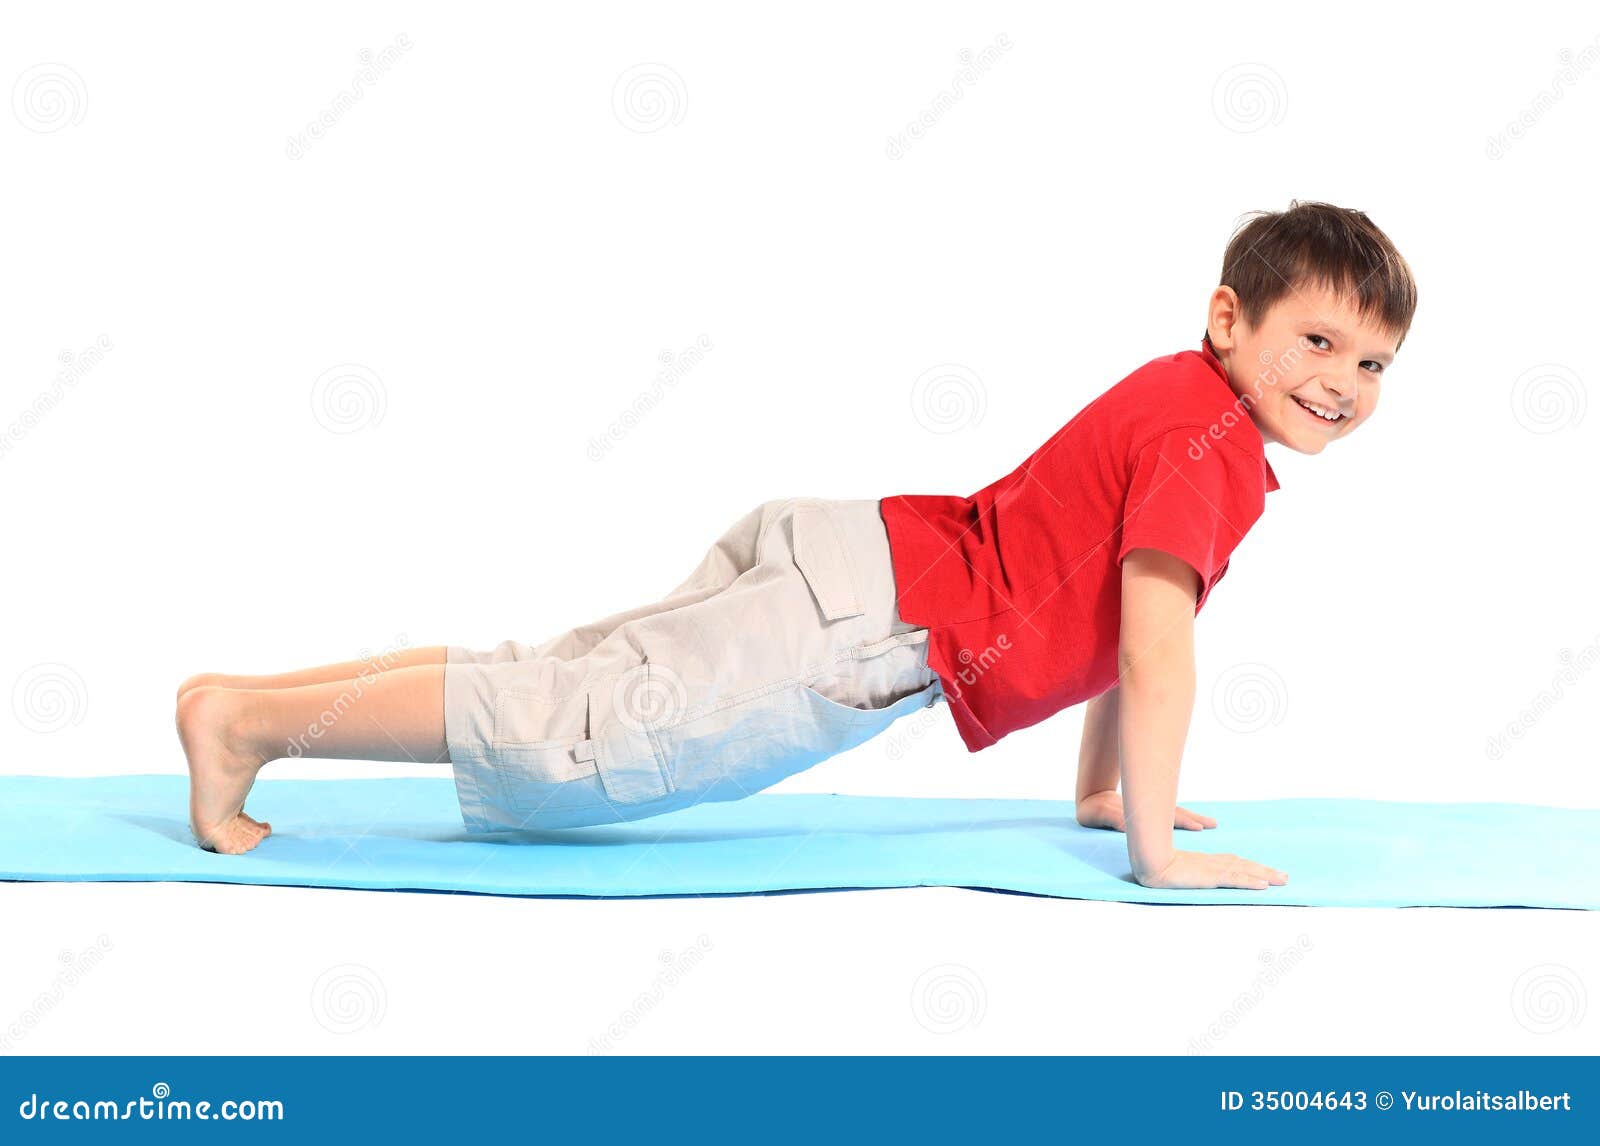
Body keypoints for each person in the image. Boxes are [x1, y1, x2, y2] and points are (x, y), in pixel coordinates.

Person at [176, 199, 1416, 893]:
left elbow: (1125, 619)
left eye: (1372, 364)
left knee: (555, 678)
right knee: (572, 738)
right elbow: (1154, 654)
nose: (1342, 383)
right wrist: (1149, 855)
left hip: (850, 552)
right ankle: (245, 725)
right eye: (1314, 343)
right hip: (865, 625)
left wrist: (1095, 795)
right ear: (1226, 318)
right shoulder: (1207, 444)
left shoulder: (1182, 411)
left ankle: (242, 706)